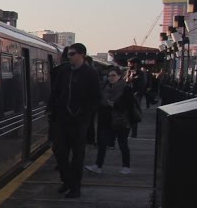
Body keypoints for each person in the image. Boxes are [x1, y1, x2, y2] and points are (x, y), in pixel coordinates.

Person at [47, 43, 101, 198]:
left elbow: (96, 97)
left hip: (79, 122)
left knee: (77, 155)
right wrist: (51, 108)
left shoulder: (90, 74)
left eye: (72, 54)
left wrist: (85, 114)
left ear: (82, 55)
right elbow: (55, 91)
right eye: (68, 54)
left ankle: (75, 187)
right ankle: (66, 181)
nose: (69, 57)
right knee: (59, 151)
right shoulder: (63, 71)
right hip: (61, 119)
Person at [85, 67, 139, 176]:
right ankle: (98, 166)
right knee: (102, 143)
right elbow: (99, 100)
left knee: (122, 143)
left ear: (119, 76)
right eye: (109, 75)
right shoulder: (105, 87)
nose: (110, 78)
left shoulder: (125, 88)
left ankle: (126, 166)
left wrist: (115, 105)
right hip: (106, 119)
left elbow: (129, 105)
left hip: (121, 120)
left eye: (113, 75)